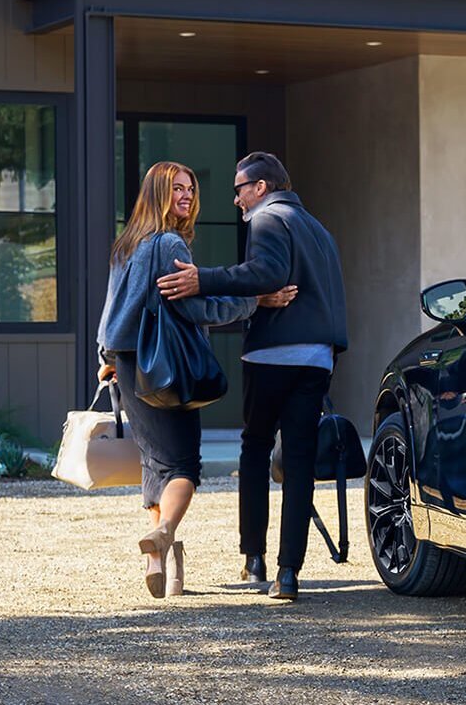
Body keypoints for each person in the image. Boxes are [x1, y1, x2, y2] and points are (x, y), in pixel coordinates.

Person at [97, 161, 296, 599]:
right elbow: (195, 308)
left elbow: (110, 313)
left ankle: (162, 563)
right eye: (177, 189)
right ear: (157, 193)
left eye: (190, 189)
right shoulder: (169, 243)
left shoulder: (125, 245)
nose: (187, 196)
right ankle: (164, 530)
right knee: (184, 465)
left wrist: (106, 358)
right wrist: (255, 301)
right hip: (166, 365)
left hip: (126, 365)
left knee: (155, 464)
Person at [156, 152, 349, 601]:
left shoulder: (267, 219)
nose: (237, 201)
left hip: (272, 354)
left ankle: (254, 558)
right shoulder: (320, 231)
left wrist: (202, 279)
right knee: (299, 461)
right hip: (317, 358)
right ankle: (288, 575)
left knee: (256, 448)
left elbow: (265, 273)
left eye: (240, 189)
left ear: (261, 187)